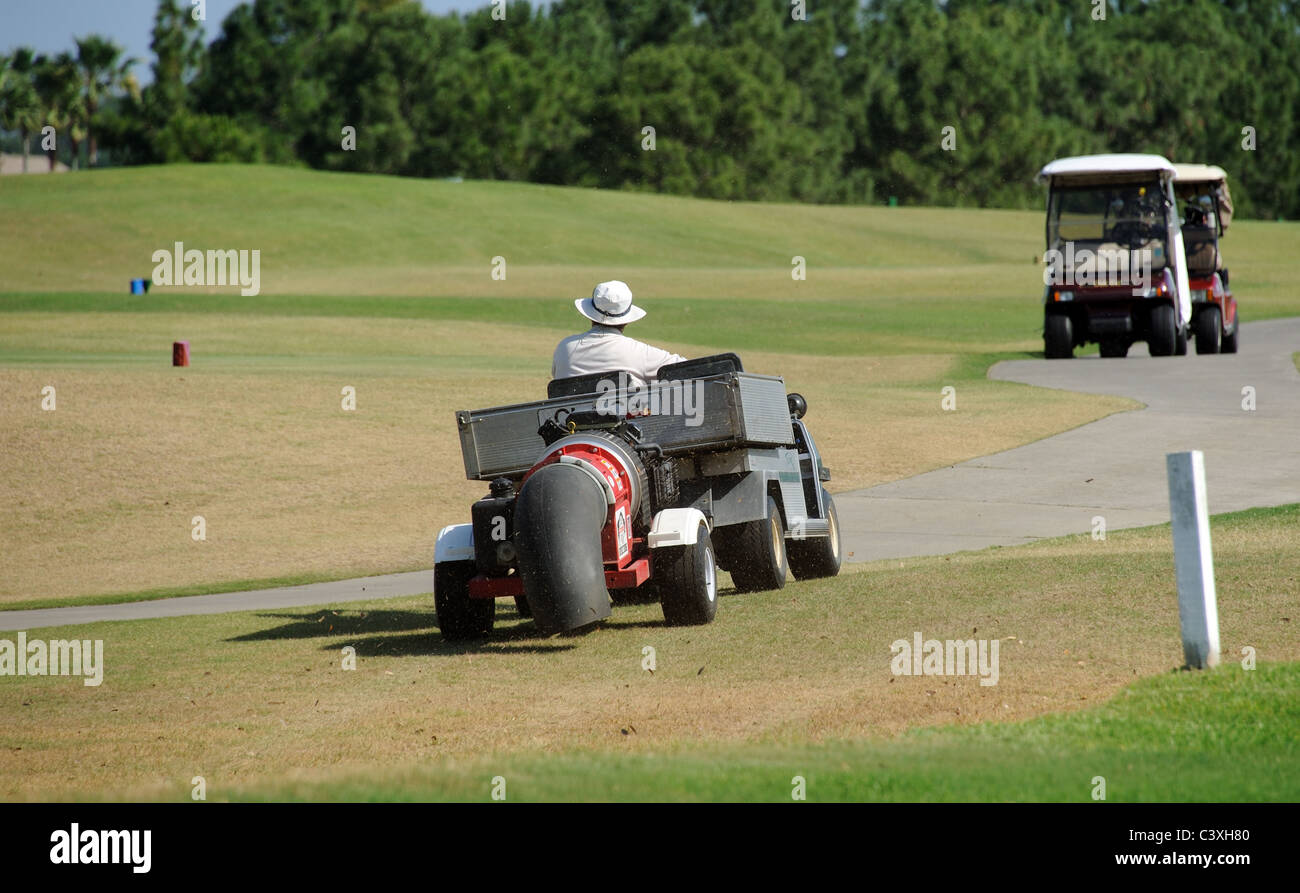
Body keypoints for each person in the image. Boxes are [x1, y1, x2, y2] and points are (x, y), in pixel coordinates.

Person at [552, 281, 686, 386]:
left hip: (568, 419)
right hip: (620, 420)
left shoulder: (564, 347)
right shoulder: (638, 353)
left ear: (590, 315)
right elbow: (688, 369)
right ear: (626, 321)